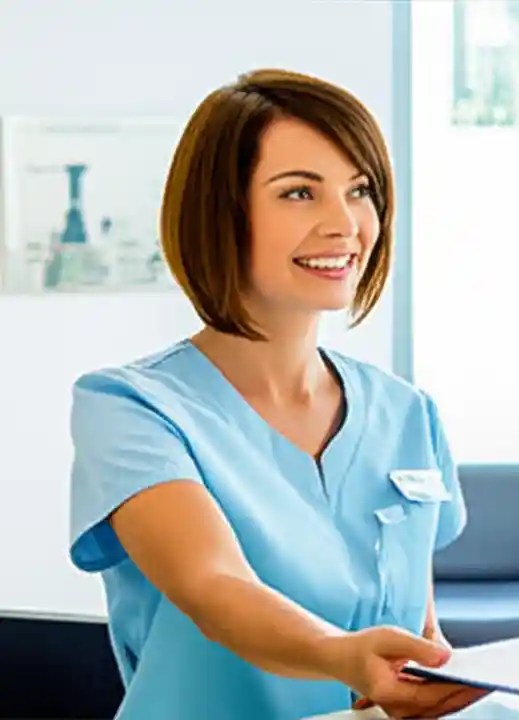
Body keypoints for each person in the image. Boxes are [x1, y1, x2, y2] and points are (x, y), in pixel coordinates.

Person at [68, 69, 484, 720]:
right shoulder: (130, 409)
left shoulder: (407, 414)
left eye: (360, 190)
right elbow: (213, 584)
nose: (344, 223)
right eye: (298, 193)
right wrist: (343, 655)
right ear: (221, 212)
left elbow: (421, 638)